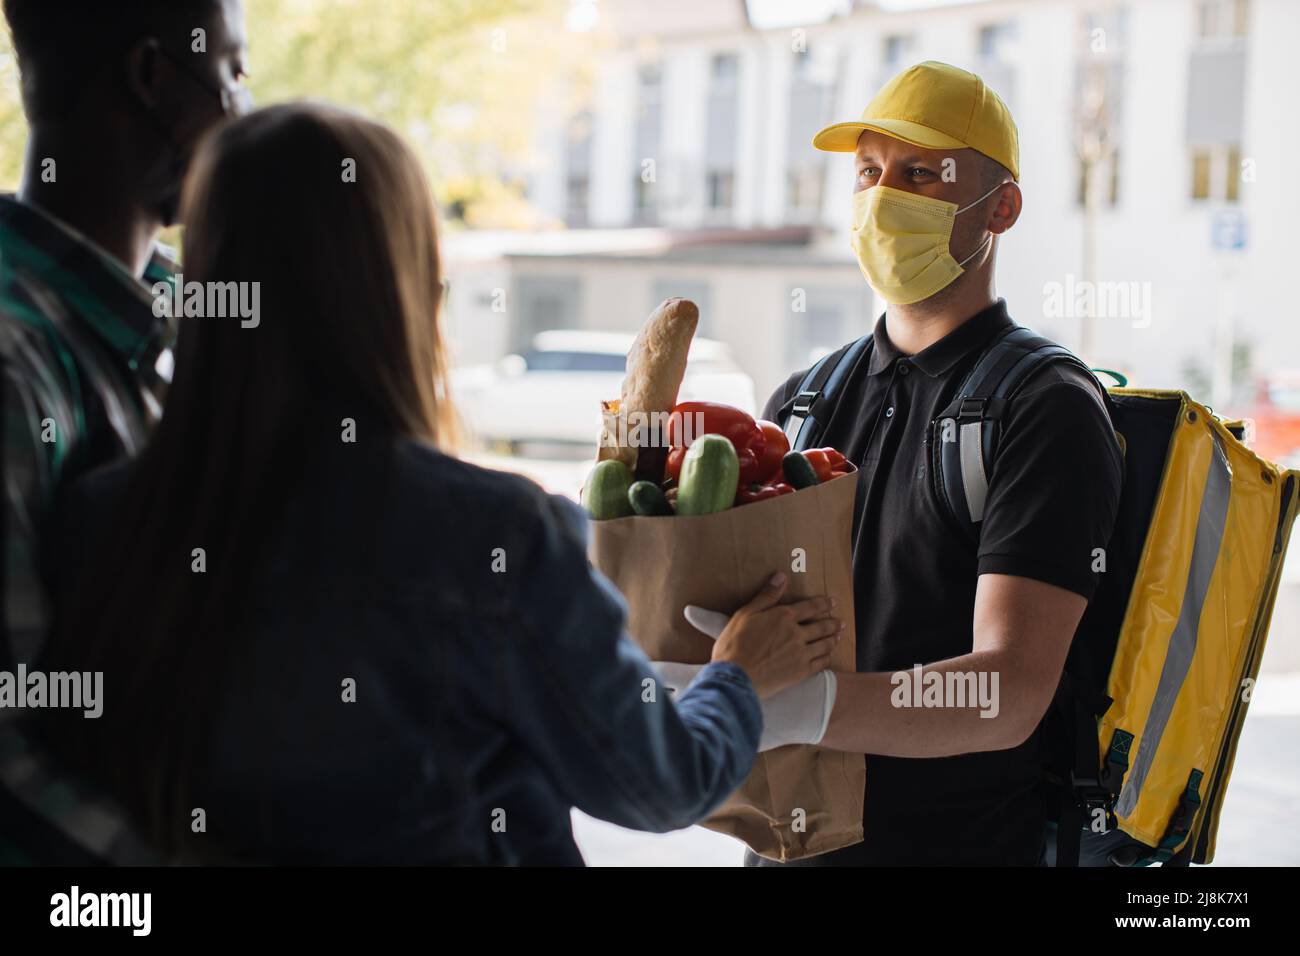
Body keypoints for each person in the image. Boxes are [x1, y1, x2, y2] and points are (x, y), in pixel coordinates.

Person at [33, 103, 843, 865]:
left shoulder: (93, 522)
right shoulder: (497, 537)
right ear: (402, 283)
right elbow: (658, 782)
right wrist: (737, 674)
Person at [751, 61, 1124, 866]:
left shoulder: (1044, 406)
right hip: (786, 845)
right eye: (869, 172)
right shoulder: (800, 402)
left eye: (921, 174)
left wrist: (807, 708)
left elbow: (1006, 691)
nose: (884, 198)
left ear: (1002, 208)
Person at [0, 0, 252, 671]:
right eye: (232, 73)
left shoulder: (179, 314)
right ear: (151, 76)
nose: (242, 114)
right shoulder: (14, 369)